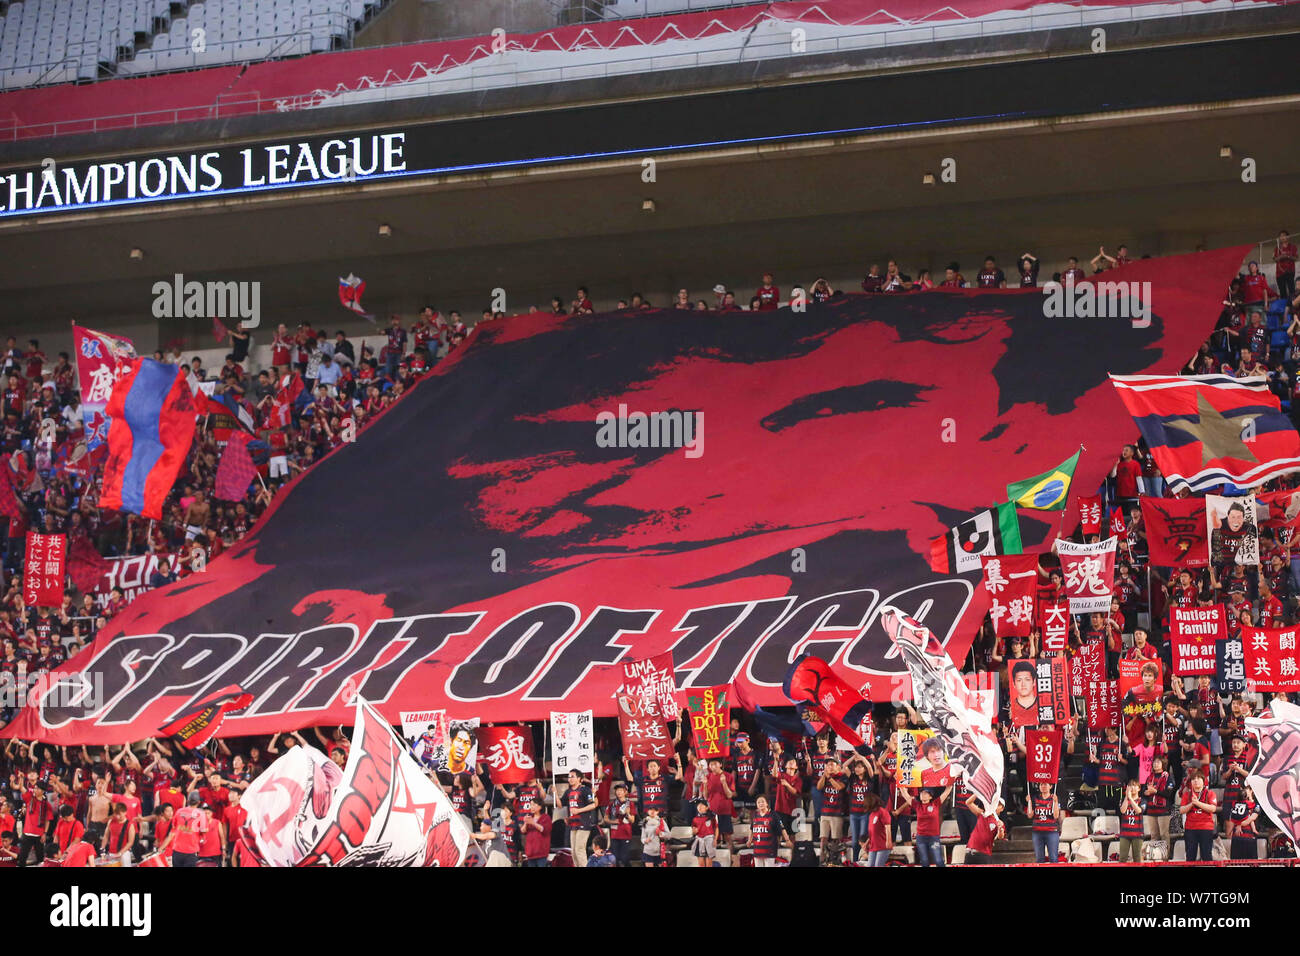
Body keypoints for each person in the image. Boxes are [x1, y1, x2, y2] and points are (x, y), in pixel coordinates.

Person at [905, 785, 950, 867]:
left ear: (930, 796)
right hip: (921, 838)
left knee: (938, 860)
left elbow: (946, 792)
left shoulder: (936, 803)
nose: (923, 794)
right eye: (922, 792)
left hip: (933, 837)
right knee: (924, 861)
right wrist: (900, 786)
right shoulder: (917, 805)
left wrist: (950, 782)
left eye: (925, 793)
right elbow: (906, 796)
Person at [561, 769, 597, 868]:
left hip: (584, 823)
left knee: (579, 849)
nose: (570, 779)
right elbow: (560, 804)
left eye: (572, 776)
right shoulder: (568, 791)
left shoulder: (585, 790)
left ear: (579, 778)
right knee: (573, 850)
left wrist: (578, 810)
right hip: (573, 824)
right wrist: (554, 792)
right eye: (569, 777)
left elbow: (593, 805)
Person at [1180, 771, 1218, 861]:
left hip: (1206, 827)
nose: (1195, 781)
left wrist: (1198, 803)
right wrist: (1191, 804)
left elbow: (1213, 809)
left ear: (1203, 781)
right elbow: (1181, 810)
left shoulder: (1210, 793)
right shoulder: (1187, 794)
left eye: (1198, 778)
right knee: (1190, 855)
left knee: (1206, 855)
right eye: (1193, 779)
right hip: (1190, 828)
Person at [745, 794, 791, 867]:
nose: (761, 804)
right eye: (758, 802)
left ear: (767, 803)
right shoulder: (755, 815)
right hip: (757, 850)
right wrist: (749, 840)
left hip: (769, 850)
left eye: (762, 802)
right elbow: (751, 829)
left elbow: (782, 828)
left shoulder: (773, 815)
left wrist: (787, 840)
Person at [170, 791, 209, 868]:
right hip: (191, 850)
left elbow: (174, 826)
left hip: (177, 849)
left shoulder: (179, 811)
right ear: (198, 802)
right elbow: (204, 830)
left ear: (188, 801)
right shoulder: (201, 814)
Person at [962, 796, 1005, 864]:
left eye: (998, 804)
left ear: (1002, 809)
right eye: (994, 803)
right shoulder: (982, 813)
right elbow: (968, 803)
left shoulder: (1000, 823)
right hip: (969, 852)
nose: (995, 805)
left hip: (983, 854)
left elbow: (1000, 837)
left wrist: (1000, 830)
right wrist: (978, 793)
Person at [1027, 781, 1062, 863]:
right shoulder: (1035, 798)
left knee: (1053, 858)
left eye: (1045, 784)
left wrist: (1056, 802)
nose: (1043, 786)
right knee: (1039, 859)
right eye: (1041, 784)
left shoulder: (1054, 798)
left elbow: (1056, 816)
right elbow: (1030, 815)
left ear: (1050, 786)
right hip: (1037, 832)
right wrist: (1029, 802)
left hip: (1052, 832)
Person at [1226, 782, 1260, 860]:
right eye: (1243, 788)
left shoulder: (1256, 805)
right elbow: (1232, 817)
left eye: (1246, 789)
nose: (1244, 790)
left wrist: (1239, 824)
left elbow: (1252, 818)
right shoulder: (1236, 804)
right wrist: (1230, 831)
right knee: (1236, 862)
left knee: (1251, 862)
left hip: (1249, 838)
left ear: (1252, 791)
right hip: (1237, 837)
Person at [1116, 780, 1146, 862]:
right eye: (1130, 786)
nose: (1132, 787)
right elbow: (1122, 810)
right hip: (1125, 834)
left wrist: (1131, 799)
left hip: (1137, 834)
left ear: (1139, 788)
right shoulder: (1123, 800)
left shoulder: (1142, 800)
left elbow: (1139, 811)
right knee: (1122, 858)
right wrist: (1127, 797)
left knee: (1137, 858)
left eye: (1134, 785)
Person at [521, 797, 552, 867]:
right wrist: (526, 822)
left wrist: (533, 823)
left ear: (540, 807)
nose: (532, 807)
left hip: (541, 853)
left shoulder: (546, 817)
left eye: (534, 805)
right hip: (530, 852)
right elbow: (523, 831)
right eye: (531, 805)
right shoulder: (530, 817)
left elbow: (544, 830)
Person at [864, 792, 892, 866]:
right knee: (870, 865)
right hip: (873, 846)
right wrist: (866, 843)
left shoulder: (883, 812)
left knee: (878, 865)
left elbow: (888, 827)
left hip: (883, 845)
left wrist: (888, 841)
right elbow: (871, 833)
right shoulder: (871, 815)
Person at [1010, 660, 1038, 726]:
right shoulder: (1011, 707)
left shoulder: (1042, 705)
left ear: (1034, 682)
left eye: (1027, 679)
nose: (1023, 684)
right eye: (1019, 680)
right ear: (1014, 684)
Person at [691, 799, 717, 865]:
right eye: (698, 805)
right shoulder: (695, 819)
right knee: (701, 864)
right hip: (699, 842)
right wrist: (694, 831)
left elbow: (716, 828)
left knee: (709, 864)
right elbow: (693, 831)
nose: (699, 807)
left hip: (709, 841)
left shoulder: (712, 817)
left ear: (707, 807)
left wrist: (715, 839)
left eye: (702, 805)